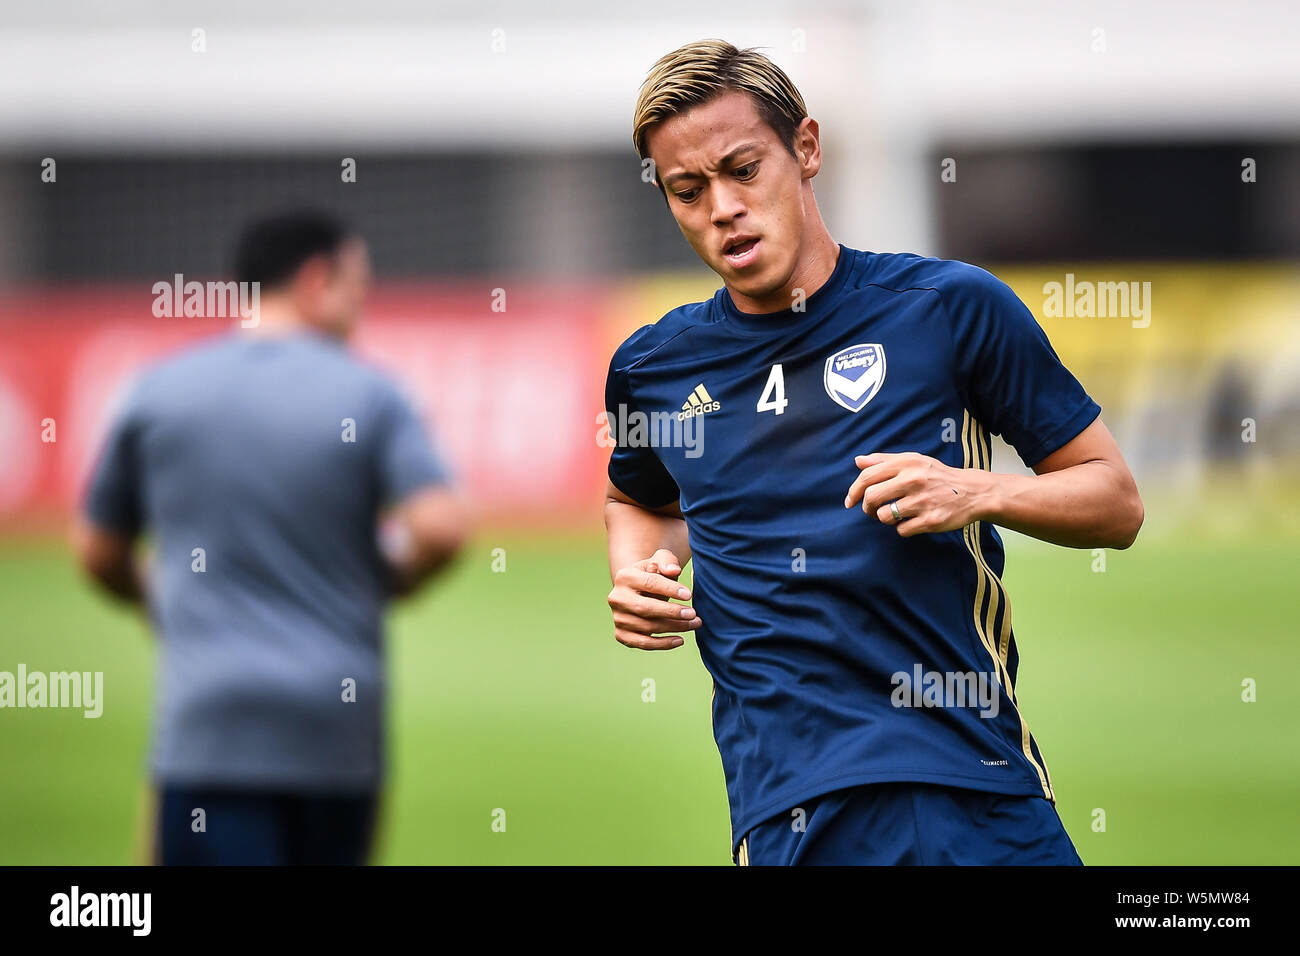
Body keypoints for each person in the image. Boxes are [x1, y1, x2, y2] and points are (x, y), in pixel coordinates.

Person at [604, 40, 1143, 865]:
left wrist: (978, 492)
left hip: (979, 789)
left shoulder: (949, 308)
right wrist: (637, 571)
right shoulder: (654, 368)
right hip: (792, 815)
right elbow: (638, 499)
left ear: (806, 148)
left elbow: (1115, 502)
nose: (723, 207)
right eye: (688, 190)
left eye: (743, 170)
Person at [76, 210, 467, 865]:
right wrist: (387, 578)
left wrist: (158, 597)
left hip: (208, 729)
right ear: (317, 280)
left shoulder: (158, 390)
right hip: (334, 731)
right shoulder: (369, 394)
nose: (360, 308)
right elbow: (442, 528)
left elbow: (98, 552)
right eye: (356, 289)